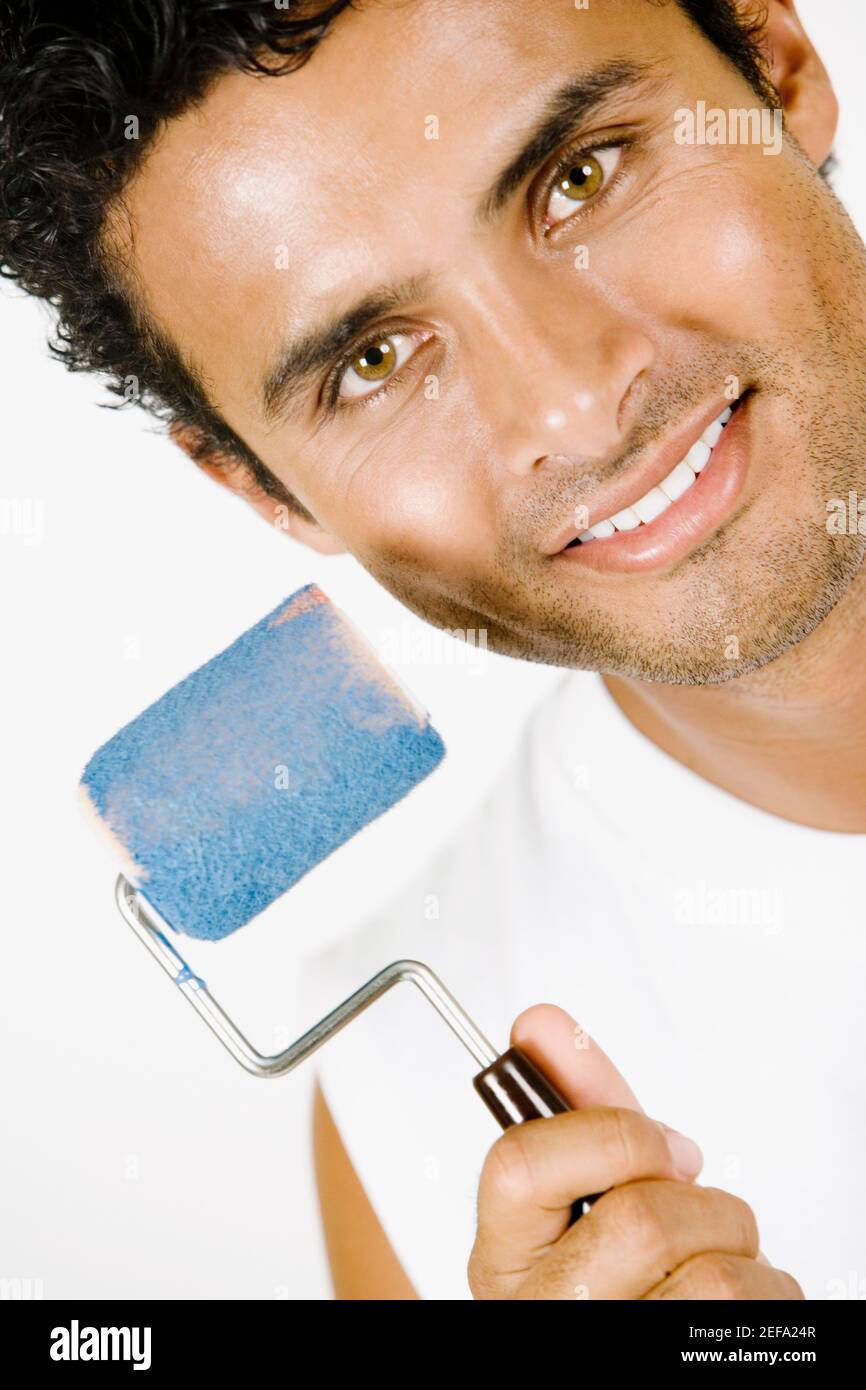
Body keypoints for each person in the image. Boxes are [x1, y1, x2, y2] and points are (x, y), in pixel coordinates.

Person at [2, 0, 864, 1300]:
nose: (572, 404)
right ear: (263, 490)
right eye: (374, 359)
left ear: (777, 61)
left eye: (578, 177)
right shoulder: (412, 1141)